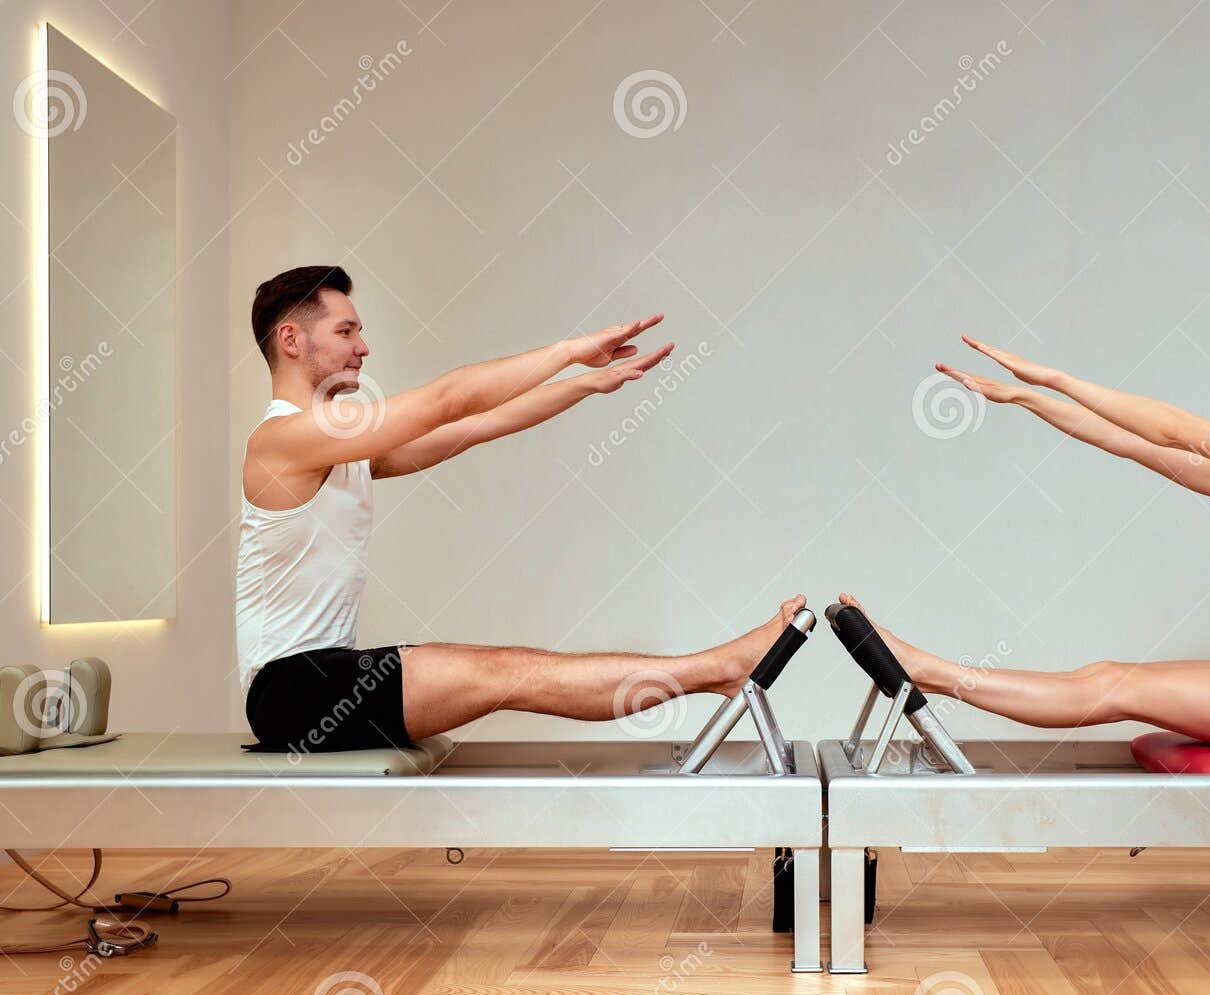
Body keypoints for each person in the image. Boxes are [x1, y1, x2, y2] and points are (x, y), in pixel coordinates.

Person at [235, 264, 804, 751]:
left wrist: (585, 384)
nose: (363, 346)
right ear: (291, 339)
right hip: (291, 693)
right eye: (346, 330)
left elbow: (475, 424)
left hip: (326, 677)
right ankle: (722, 670)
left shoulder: (344, 450)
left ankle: (720, 671)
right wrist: (566, 351)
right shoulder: (280, 443)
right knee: (507, 672)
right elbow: (446, 400)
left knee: (509, 669)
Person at [844, 311, 1210, 751]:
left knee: (1114, 689)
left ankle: (928, 672)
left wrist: (1052, 375)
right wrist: (1027, 397)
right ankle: (928, 670)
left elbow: (1176, 430)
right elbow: (1130, 442)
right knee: (1105, 674)